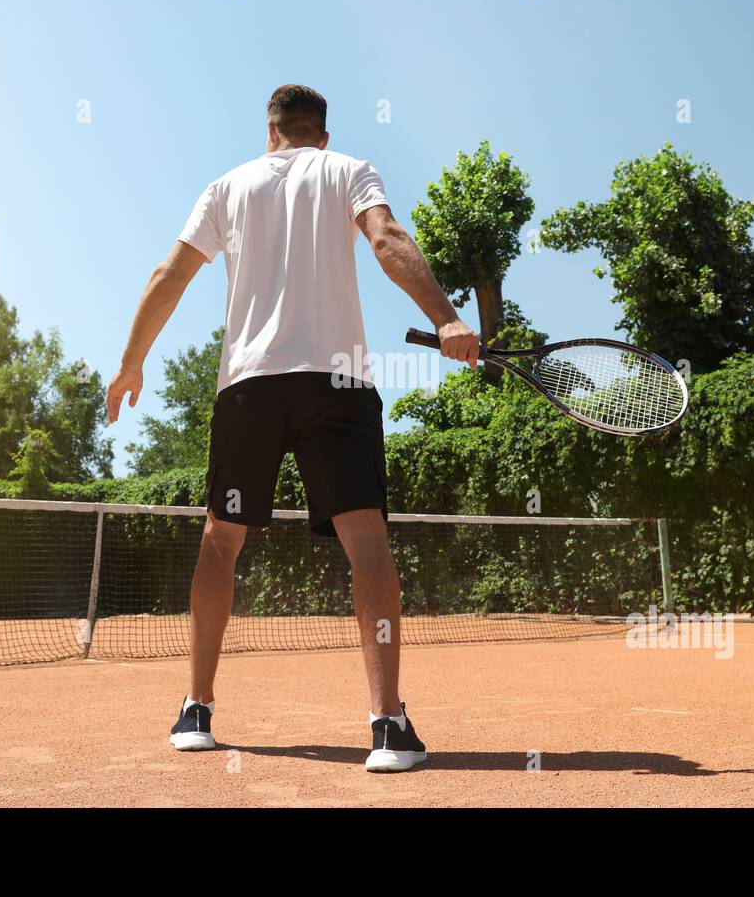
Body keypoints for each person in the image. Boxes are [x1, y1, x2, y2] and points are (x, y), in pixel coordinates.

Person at [106, 84, 479, 772]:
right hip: (336, 382)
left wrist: (131, 364)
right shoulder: (348, 170)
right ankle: (388, 729)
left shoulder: (227, 186)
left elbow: (171, 273)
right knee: (365, 541)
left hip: (249, 384)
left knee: (221, 541)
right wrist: (446, 317)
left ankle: (196, 711)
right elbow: (388, 238)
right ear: (323, 136)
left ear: (270, 131)